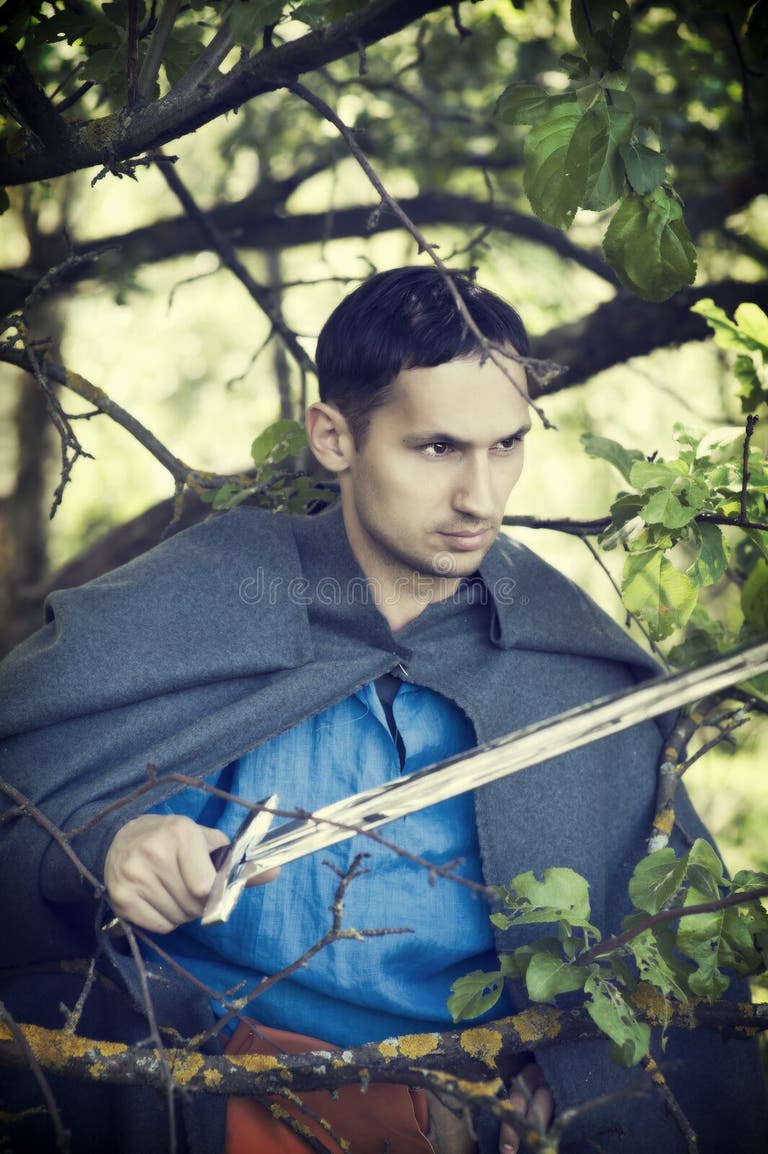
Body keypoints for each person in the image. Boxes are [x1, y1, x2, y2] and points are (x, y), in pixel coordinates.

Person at [0, 267, 765, 1154]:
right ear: (333, 436)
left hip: (443, 1102)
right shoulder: (201, 597)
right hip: (180, 1071)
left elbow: (662, 973)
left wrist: (569, 1061)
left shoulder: (569, 671)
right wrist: (97, 854)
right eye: (438, 448)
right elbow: (18, 806)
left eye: (508, 445)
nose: (482, 498)